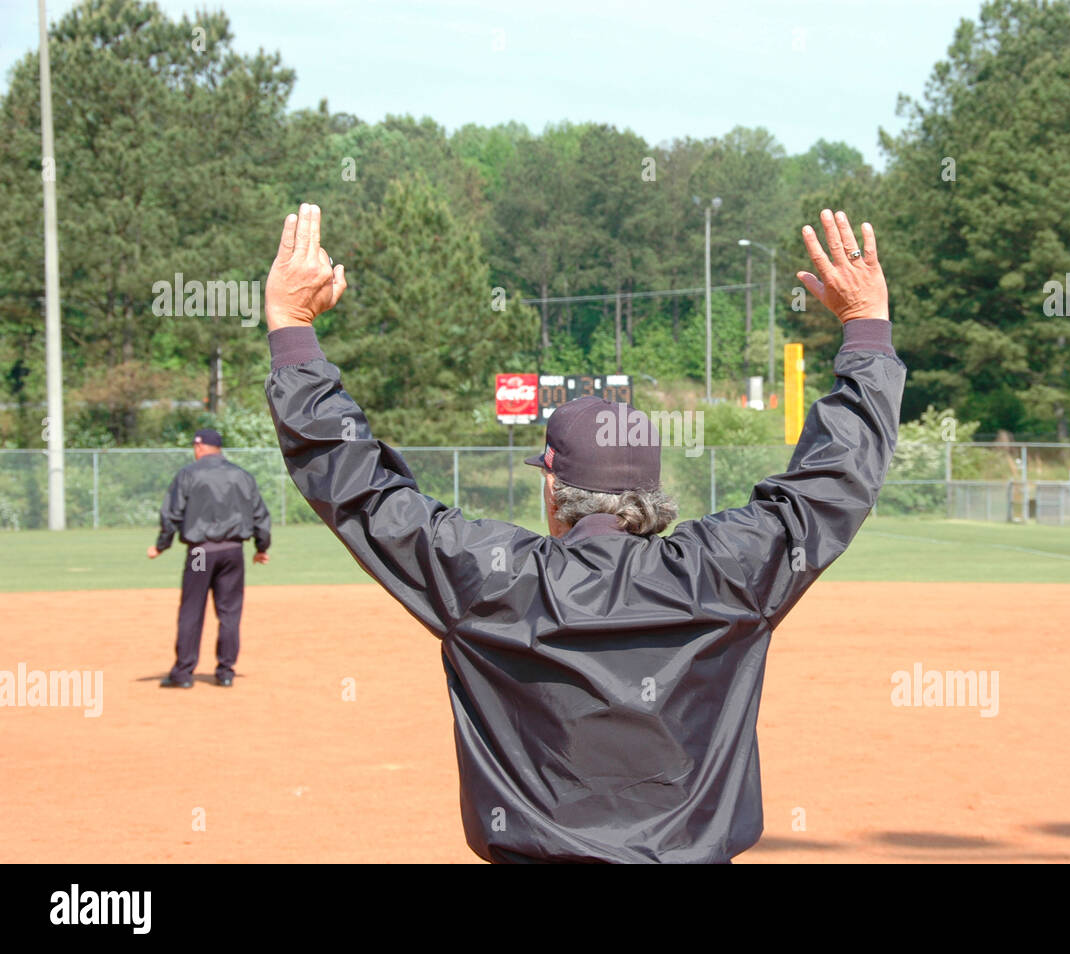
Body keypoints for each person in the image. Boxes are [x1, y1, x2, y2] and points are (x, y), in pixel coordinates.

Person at [262, 203, 905, 862]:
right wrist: (866, 327)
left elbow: (360, 487)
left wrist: (293, 329)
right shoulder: (724, 573)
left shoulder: (493, 578)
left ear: (554, 489)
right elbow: (835, 480)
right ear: (650, 496)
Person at [147, 428, 272, 688]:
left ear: (199, 447)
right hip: (233, 551)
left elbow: (171, 514)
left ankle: (183, 674)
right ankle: (226, 672)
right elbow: (260, 514)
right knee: (229, 612)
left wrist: (162, 545)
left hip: (201, 552)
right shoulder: (242, 476)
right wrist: (261, 547)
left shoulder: (189, 474)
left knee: (192, 610)